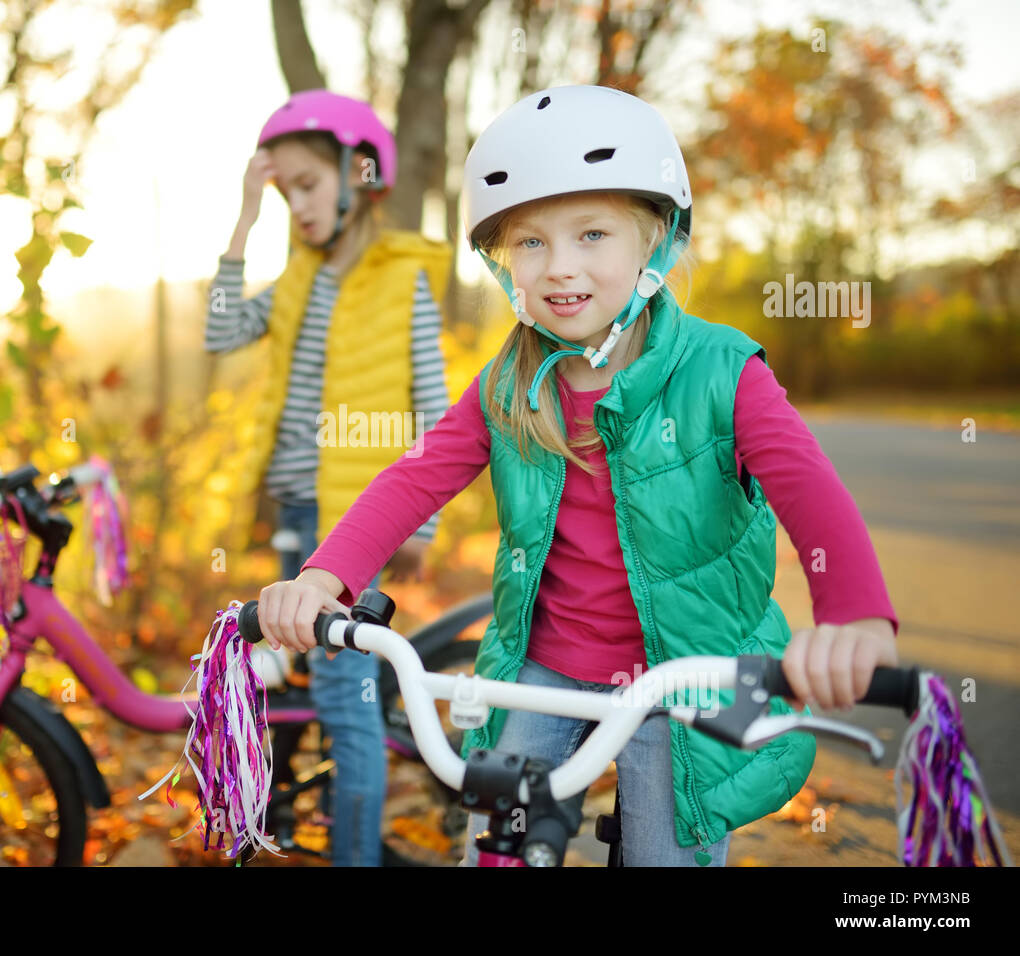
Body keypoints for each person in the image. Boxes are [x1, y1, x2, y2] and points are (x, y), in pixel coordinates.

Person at [253, 85, 900, 866]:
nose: (560, 269)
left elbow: (809, 490)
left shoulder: (720, 371)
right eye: (530, 243)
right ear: (503, 264)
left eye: (592, 234)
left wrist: (854, 615)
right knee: (497, 842)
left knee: (667, 851)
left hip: (680, 676)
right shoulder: (508, 384)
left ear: (654, 238)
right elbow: (414, 479)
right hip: (547, 667)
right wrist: (325, 577)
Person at [204, 89, 453, 866]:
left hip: (353, 518)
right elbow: (219, 331)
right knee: (313, 684)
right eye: (285, 194)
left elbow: (436, 403)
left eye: (308, 185)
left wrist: (423, 525)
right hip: (295, 508)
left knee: (344, 704)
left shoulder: (402, 278)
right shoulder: (296, 282)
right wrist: (245, 219)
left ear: (360, 175)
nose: (297, 207)